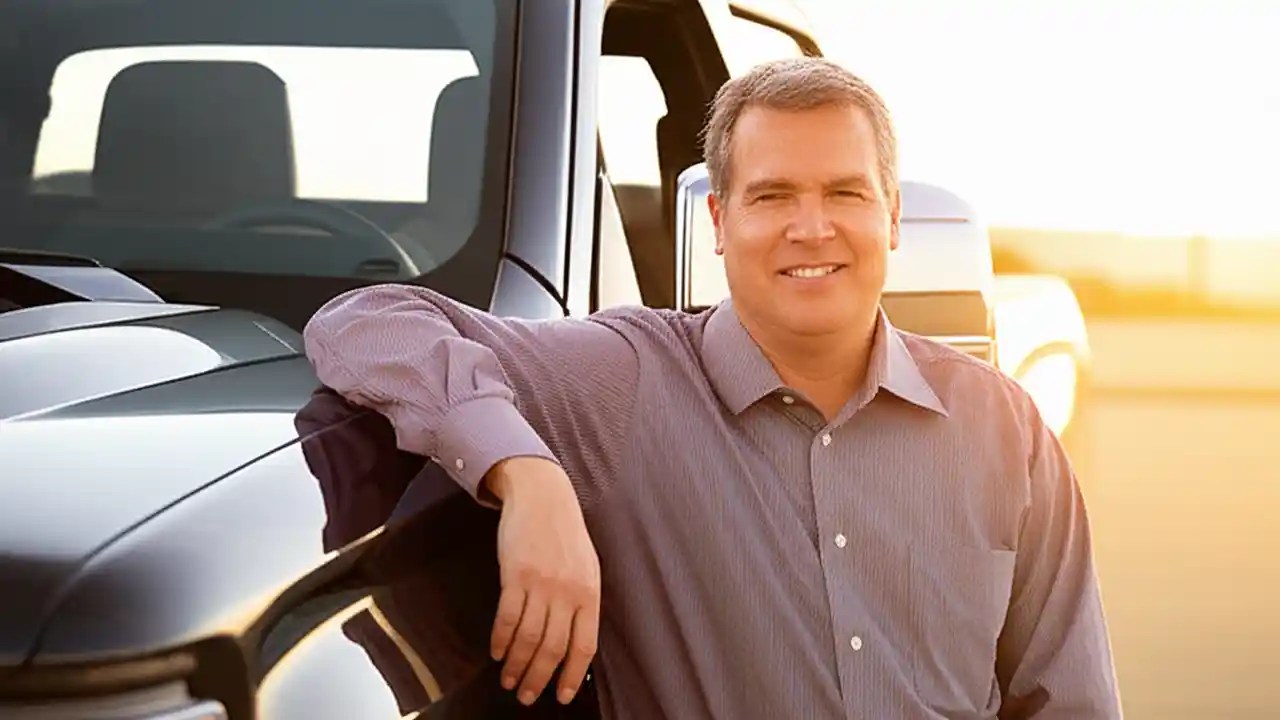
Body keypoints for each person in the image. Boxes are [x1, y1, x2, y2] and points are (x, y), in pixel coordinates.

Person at [303, 57, 1122, 719]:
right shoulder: (623, 383)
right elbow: (368, 321)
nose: (813, 227)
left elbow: (1071, 701)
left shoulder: (1002, 426)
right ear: (721, 223)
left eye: (845, 193)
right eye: (772, 197)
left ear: (894, 217)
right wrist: (525, 472)